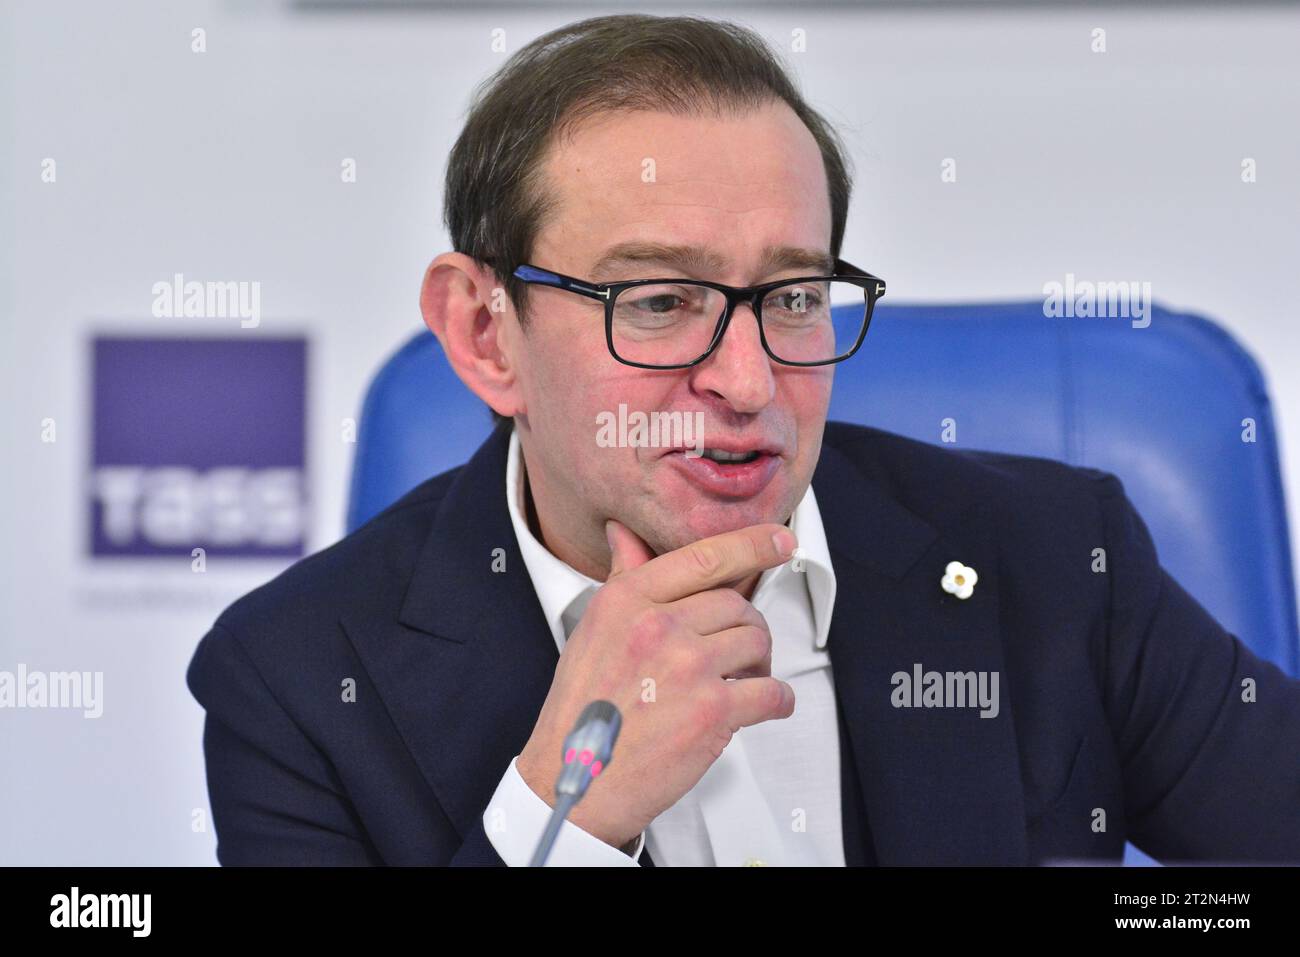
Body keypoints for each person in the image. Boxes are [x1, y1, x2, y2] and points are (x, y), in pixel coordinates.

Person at [186, 13, 1300, 866]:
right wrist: (569, 813)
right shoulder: (296, 681)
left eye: (792, 296)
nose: (748, 378)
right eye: (661, 301)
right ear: (486, 336)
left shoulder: (1056, 556)